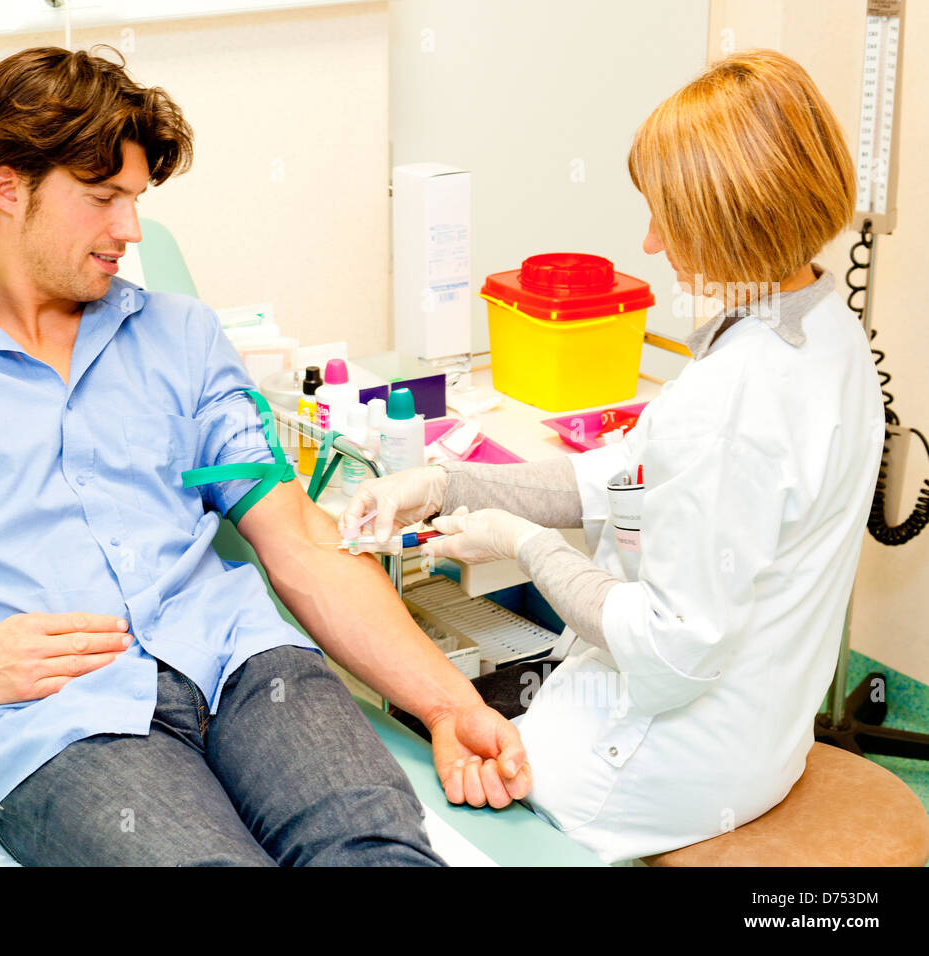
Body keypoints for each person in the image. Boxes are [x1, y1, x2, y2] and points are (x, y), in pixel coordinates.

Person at [0, 46, 531, 867]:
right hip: (62, 721)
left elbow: (296, 538)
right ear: (5, 185)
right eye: (103, 198)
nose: (131, 231)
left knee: (376, 854)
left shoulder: (179, 339)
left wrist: (445, 703)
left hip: (247, 668)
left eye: (136, 199)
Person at [341, 49, 885, 863]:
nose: (654, 241)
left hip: (657, 766)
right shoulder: (821, 328)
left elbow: (665, 656)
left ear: (736, 223)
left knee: (423, 830)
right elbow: (625, 475)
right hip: (762, 738)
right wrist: (447, 480)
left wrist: (523, 546)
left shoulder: (738, 399)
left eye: (672, 217)